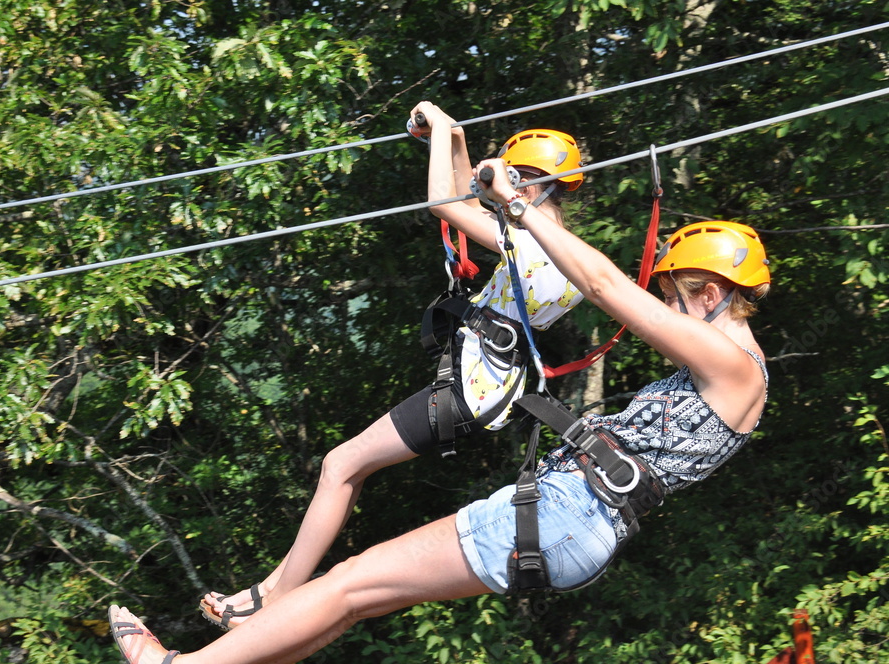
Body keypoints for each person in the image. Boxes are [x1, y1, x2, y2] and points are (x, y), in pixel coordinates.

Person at [108, 144, 772, 664]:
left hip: (567, 512)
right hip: (576, 522)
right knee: (352, 601)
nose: (665, 311)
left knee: (346, 582)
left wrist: (519, 205)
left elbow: (600, 282)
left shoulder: (734, 369)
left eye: (675, 296)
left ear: (709, 292)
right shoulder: (737, 378)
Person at [195, 102, 586, 629]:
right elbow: (470, 192)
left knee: (339, 465)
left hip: (471, 390)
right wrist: (454, 138)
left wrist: (446, 130)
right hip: (485, 390)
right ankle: (270, 589)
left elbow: (443, 204)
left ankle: (273, 603)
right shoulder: (566, 248)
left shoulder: (528, 240)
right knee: (350, 468)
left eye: (512, 178)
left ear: (531, 184)